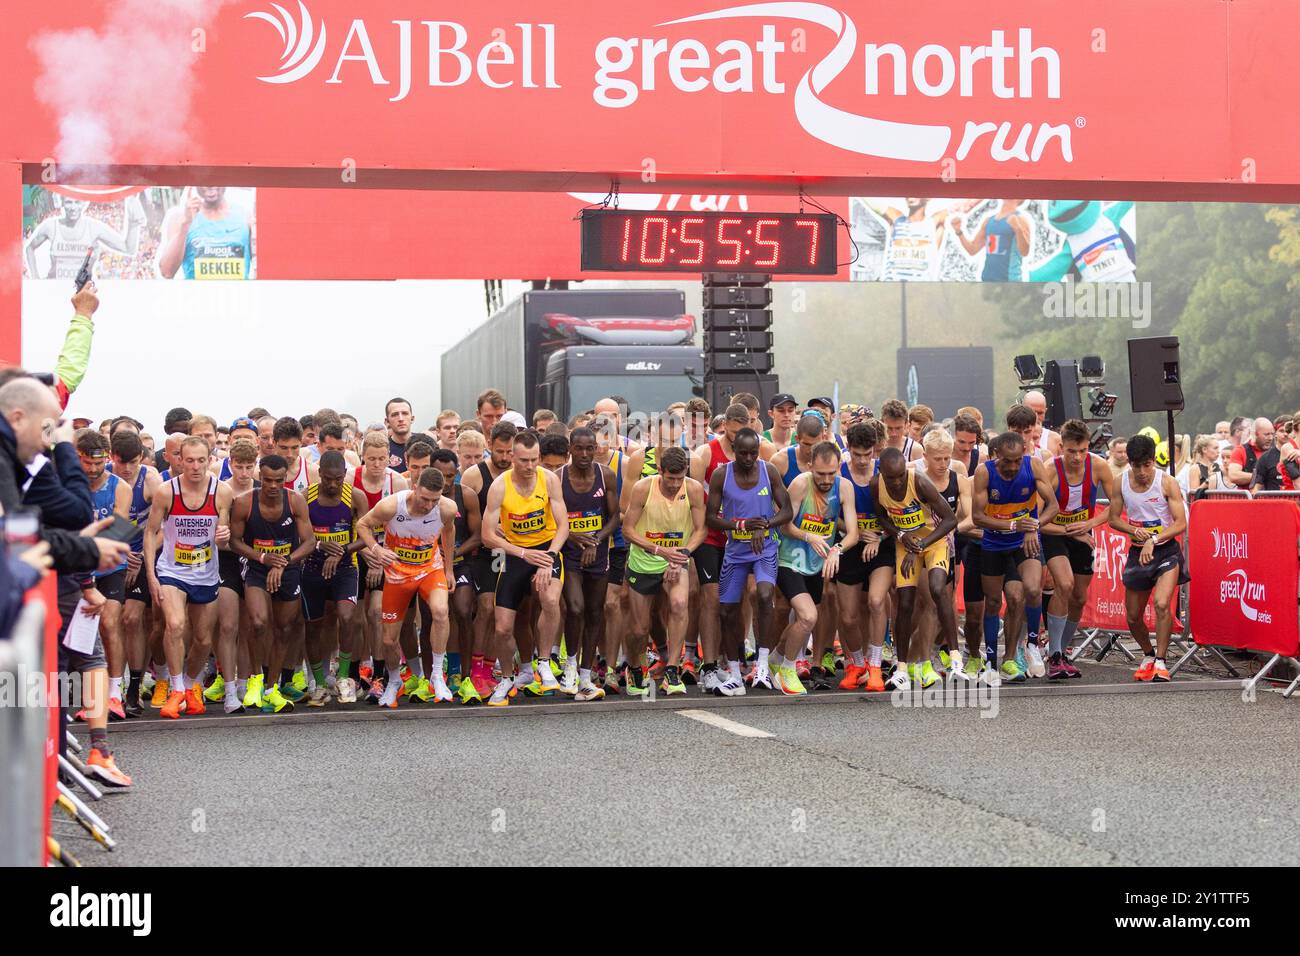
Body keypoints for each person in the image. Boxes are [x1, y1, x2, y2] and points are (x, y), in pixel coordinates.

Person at [143, 435, 234, 719]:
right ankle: (176, 688)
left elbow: (224, 538)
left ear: (210, 460)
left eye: (201, 460)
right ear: (179, 460)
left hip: (206, 573)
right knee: (175, 624)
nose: (195, 466)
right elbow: (150, 532)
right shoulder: (166, 492)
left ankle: (192, 683)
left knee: (204, 639)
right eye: (189, 460)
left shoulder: (222, 491)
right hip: (172, 570)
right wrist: (151, 575)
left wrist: (225, 535)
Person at [479, 430, 569, 706]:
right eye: (523, 461)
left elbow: (563, 525)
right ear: (512, 458)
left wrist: (549, 557)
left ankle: (543, 662)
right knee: (503, 626)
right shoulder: (500, 486)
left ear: (539, 457)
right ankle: (507, 678)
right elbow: (487, 536)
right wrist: (522, 553)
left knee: (550, 598)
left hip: (546, 549)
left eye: (533, 460)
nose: (529, 467)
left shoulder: (549, 479)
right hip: (515, 553)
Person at [356, 468, 458, 707]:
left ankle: (435, 676)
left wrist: (449, 569)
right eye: (424, 498)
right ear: (414, 486)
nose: (428, 505)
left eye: (434, 500)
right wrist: (376, 549)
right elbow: (362, 524)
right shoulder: (392, 506)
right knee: (390, 639)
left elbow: (449, 531)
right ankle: (394, 681)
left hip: (429, 569)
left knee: (441, 612)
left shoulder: (446, 508)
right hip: (397, 575)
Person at [706, 428, 793, 698]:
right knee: (726, 611)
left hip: (764, 547)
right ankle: (734, 673)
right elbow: (711, 518)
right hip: (735, 551)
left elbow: (788, 510)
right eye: (742, 453)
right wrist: (741, 524)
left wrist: (765, 524)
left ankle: (763, 664)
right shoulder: (723, 474)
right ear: (734, 451)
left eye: (753, 453)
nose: (748, 458)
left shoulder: (769, 471)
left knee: (765, 595)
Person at [228, 455, 315, 714]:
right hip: (256, 566)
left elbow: (309, 542)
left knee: (284, 628)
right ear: (260, 477)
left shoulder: (295, 501)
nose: (273, 486)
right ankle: (255, 680)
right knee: (258, 623)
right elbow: (234, 541)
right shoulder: (245, 503)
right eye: (267, 480)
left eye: (279, 480)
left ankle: (271, 687)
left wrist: (285, 562)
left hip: (288, 567)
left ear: (286, 478)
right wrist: (263, 557)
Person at [971, 431, 1058, 685]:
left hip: (1024, 541)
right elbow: (977, 517)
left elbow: (1052, 506)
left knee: (1027, 592)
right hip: (994, 543)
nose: (1012, 466)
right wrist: (1012, 525)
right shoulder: (984, 472)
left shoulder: (1033, 465)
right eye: (1007, 461)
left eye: (1017, 460)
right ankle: (990, 662)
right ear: (996, 455)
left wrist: (1033, 526)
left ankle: (1017, 653)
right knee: (994, 601)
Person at [622, 446, 707, 699]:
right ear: (660, 471)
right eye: (670, 478)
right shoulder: (643, 488)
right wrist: (658, 551)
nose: (674, 484)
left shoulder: (692, 489)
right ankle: (635, 668)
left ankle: (672, 668)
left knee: (680, 604)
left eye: (679, 478)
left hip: (676, 559)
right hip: (645, 561)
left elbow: (701, 530)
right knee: (639, 628)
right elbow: (628, 529)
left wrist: (682, 554)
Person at [872, 447, 958, 690]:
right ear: (881, 474)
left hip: (933, 541)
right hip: (906, 546)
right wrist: (900, 534)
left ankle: (937, 660)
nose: (897, 482)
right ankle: (904, 665)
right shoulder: (875, 485)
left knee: (934, 594)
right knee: (905, 602)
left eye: (900, 476)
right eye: (891, 478)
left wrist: (919, 544)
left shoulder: (918, 482)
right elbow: (881, 518)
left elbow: (951, 519)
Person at [775, 442, 858, 695]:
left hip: (817, 564)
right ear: (810, 467)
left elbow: (853, 533)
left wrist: (837, 550)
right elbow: (784, 526)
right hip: (789, 560)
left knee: (805, 618)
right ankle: (787, 670)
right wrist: (808, 536)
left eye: (831, 473)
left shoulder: (844, 487)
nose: (826, 479)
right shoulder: (800, 484)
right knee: (808, 616)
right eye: (820, 473)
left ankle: (777, 657)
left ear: (839, 468)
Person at [1040, 419, 1119, 680]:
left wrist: (1090, 523)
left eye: (1083, 450)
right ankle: (1054, 654)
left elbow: (1117, 504)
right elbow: (1037, 519)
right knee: (1064, 584)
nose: (1077, 457)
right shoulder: (1050, 470)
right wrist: (1068, 530)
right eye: (1072, 451)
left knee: (1079, 597)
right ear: (1061, 447)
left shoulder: (1098, 466)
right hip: (1054, 533)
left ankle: (1061, 650)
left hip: (1083, 533)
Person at [1107, 435, 1189, 682]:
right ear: (1129, 463)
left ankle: (1162, 662)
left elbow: (1181, 523)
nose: (1142, 472)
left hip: (1165, 551)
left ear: (1154, 461)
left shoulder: (1167, 482)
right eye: (1137, 465)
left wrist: (1154, 539)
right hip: (1137, 552)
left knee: (1162, 604)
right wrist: (1135, 531)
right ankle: (1148, 654)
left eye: (1147, 465)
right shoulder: (1120, 483)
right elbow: (1113, 519)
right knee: (1133, 615)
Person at [689, 403, 749, 693]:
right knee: (711, 599)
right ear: (724, 426)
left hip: (740, 540)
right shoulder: (705, 454)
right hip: (709, 537)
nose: (737, 439)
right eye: (733, 433)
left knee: (735, 602)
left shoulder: (753, 452)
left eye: (743, 432)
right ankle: (709, 667)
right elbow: (691, 495)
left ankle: (733, 661)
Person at [300, 451, 369, 706]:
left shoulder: (356, 497)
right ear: (319, 475)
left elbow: (366, 536)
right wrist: (320, 546)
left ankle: (343, 678)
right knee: (314, 626)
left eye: (338, 479)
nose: (332, 484)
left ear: (344, 476)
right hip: (312, 568)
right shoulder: (305, 497)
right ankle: (319, 683)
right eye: (328, 479)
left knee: (348, 616)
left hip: (345, 567)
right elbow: (299, 539)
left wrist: (342, 551)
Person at [558, 427, 621, 696]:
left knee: (595, 611)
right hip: (569, 551)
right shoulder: (557, 477)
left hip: (597, 551)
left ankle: (586, 675)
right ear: (570, 448)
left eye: (589, 448)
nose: (584, 454)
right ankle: (570, 666)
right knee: (575, 607)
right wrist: (574, 536)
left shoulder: (605, 475)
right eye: (579, 448)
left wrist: (595, 541)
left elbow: (616, 517)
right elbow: (553, 521)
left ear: (595, 449)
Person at [75, 430, 132, 719]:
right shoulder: (69, 485)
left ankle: (113, 693)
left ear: (107, 459)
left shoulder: (120, 487)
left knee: (109, 624)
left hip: (110, 565)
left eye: (99, 464)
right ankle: (92, 697)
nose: (93, 470)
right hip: (77, 566)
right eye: (87, 463)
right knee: (86, 632)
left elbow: (120, 529)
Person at [458, 422, 513, 700]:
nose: (505, 457)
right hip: (486, 552)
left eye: (509, 452)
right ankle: (476, 670)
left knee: (507, 613)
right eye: (499, 451)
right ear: (490, 446)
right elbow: (461, 517)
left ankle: (493, 668)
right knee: (486, 608)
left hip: (516, 551)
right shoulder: (474, 475)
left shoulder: (524, 474)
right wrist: (487, 530)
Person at [158, 186, 253, 280]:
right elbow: (167, 272)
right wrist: (186, 224)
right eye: (205, 179)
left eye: (215, 178)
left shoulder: (245, 216)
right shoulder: (180, 218)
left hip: (237, 294)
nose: (210, 185)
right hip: (198, 294)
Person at [949, 199, 1031, 281]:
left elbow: (1025, 252)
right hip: (987, 280)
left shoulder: (1021, 220)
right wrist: (958, 231)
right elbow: (972, 249)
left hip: (1009, 282)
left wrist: (1018, 230)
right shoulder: (988, 221)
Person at [1178, 435, 1229, 501]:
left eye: (1218, 448)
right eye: (1215, 448)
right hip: (1203, 506)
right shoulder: (1195, 468)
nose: (1218, 451)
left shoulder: (1219, 466)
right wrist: (1208, 481)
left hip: (1218, 504)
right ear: (1204, 450)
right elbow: (1193, 494)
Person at [1227, 417, 1272, 489]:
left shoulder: (1274, 451)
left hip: (1271, 498)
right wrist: (1261, 476)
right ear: (1254, 434)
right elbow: (1233, 476)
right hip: (1248, 498)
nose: (1270, 438)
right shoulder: (1240, 450)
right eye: (1266, 434)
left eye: (1272, 434)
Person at [385, 397, 415, 472]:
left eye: (405, 413)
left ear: (412, 418)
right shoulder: (383, 448)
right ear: (387, 421)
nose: (401, 419)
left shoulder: (426, 443)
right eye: (395, 415)